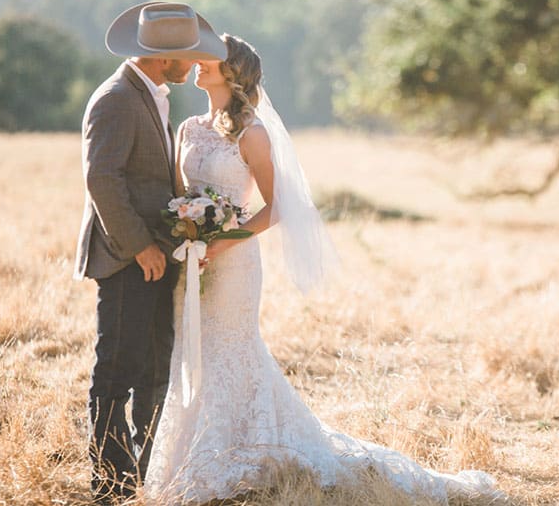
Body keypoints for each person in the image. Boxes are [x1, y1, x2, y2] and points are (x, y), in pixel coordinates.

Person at [144, 33, 501, 504]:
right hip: (190, 262)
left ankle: (250, 451)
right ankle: (189, 455)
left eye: (209, 59)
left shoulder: (252, 133)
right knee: (192, 350)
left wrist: (224, 241)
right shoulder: (189, 128)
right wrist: (186, 231)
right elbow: (177, 193)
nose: (197, 63)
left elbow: (276, 207)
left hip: (234, 265)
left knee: (232, 350)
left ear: (232, 72)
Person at [73, 1, 228, 504]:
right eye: (189, 55)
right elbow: (102, 179)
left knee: (153, 367)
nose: (194, 63)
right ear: (167, 58)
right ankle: (110, 483)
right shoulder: (117, 98)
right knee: (118, 366)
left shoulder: (150, 92)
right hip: (126, 258)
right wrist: (141, 246)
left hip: (155, 256)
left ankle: (144, 472)